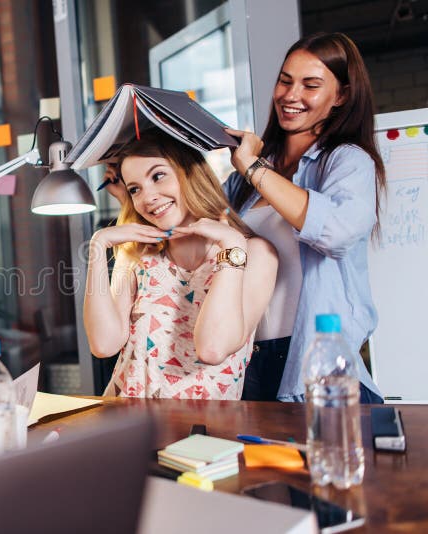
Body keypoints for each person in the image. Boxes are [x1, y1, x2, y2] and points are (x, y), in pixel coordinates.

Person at [223, 32, 386, 403]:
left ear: (340, 96)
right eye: (285, 80)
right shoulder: (241, 183)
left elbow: (337, 232)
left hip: (318, 366)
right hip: (250, 361)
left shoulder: (346, 161)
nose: (291, 95)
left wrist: (251, 165)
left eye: (310, 85)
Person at [84, 131, 278, 399]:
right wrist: (97, 246)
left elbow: (212, 348)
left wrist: (232, 244)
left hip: (205, 434)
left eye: (158, 176)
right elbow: (104, 345)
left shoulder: (254, 253)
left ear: (189, 173)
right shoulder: (137, 252)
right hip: (125, 423)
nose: (147, 197)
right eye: (134, 189)